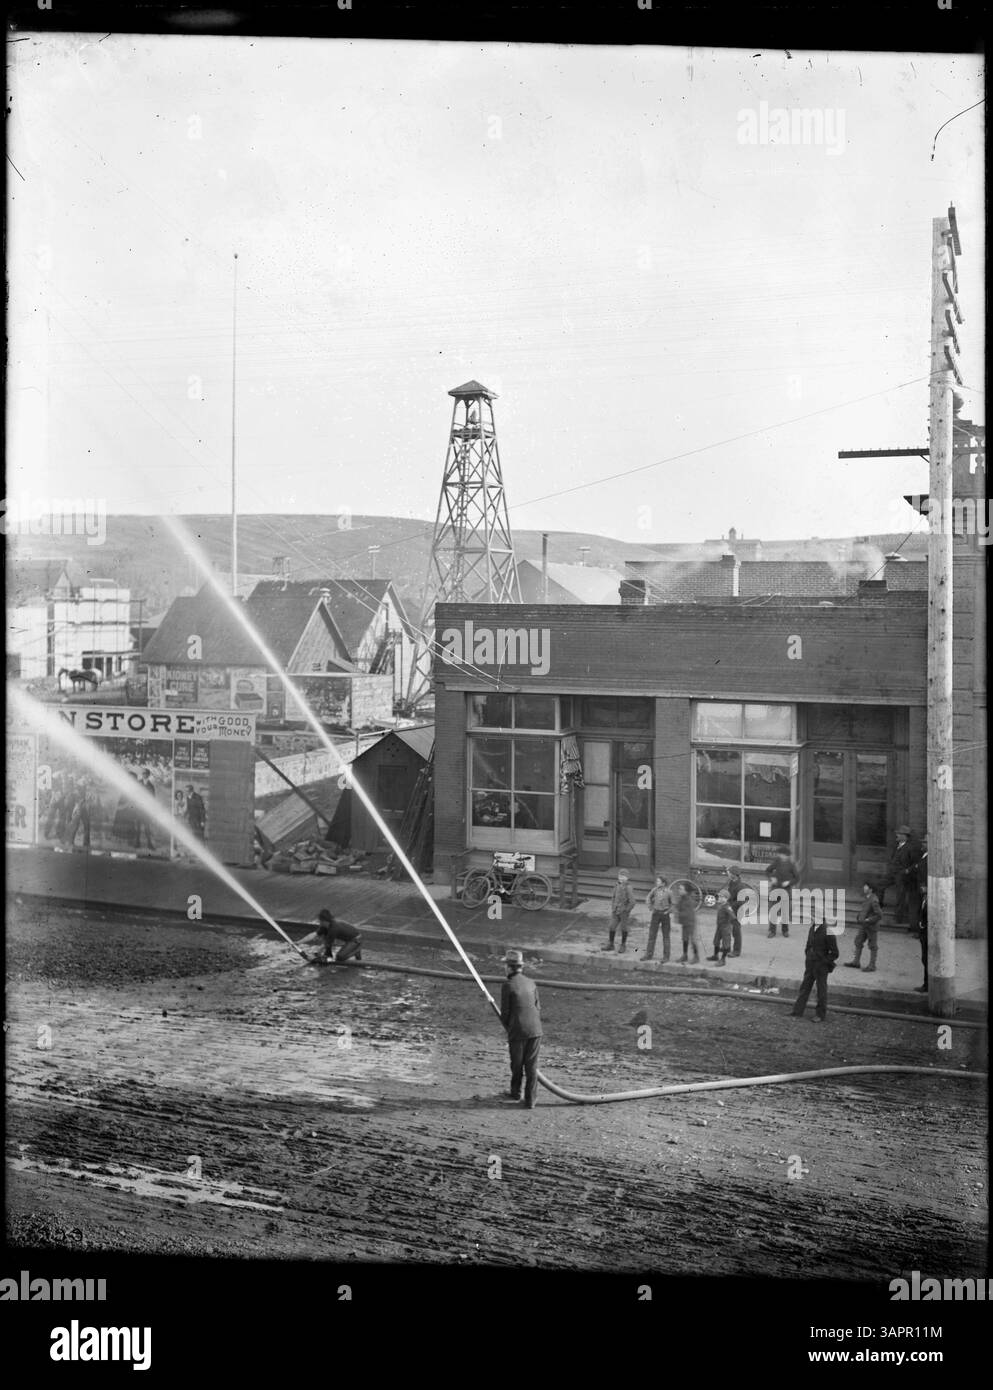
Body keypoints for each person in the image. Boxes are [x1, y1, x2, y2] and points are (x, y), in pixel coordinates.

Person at [499, 949, 543, 1109]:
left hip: (518, 1030)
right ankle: (530, 1100)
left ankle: (515, 1092)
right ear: (520, 967)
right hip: (536, 1029)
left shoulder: (507, 985)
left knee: (517, 1064)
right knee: (531, 1066)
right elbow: (538, 1007)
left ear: (509, 968)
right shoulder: (531, 983)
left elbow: (505, 1014)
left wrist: (509, 1026)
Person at [790, 913, 839, 1022]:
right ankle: (797, 1011)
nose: (812, 918)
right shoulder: (812, 928)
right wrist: (808, 954)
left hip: (821, 967)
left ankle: (820, 1015)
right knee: (805, 987)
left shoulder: (828, 932)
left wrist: (824, 962)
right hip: (810, 964)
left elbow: (835, 953)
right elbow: (808, 945)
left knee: (821, 990)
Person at [882, 825, 922, 927]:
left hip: (902, 876)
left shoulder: (910, 848)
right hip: (892, 874)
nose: (897, 835)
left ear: (905, 836)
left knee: (900, 895)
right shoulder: (897, 846)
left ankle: (898, 918)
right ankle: (877, 909)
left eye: (899, 834)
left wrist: (907, 871)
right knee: (878, 886)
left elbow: (916, 863)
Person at [845, 882, 883, 972]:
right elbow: (865, 910)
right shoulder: (867, 898)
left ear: (871, 889)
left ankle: (872, 966)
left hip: (871, 927)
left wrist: (868, 920)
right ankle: (856, 962)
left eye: (866, 887)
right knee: (858, 941)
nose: (864, 888)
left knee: (872, 945)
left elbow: (879, 915)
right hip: (864, 925)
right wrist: (859, 916)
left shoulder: (874, 900)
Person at [765, 846, 799, 939]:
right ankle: (772, 931)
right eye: (780, 854)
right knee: (773, 911)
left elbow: (797, 878)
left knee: (785, 912)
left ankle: (785, 930)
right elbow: (768, 871)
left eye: (782, 854)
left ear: (786, 856)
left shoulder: (791, 865)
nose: (780, 856)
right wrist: (772, 877)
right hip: (775, 889)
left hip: (786, 891)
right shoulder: (776, 862)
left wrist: (789, 882)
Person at [601, 869, 637, 953]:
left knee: (624, 928)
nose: (621, 878)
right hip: (615, 911)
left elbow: (632, 902)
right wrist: (613, 906)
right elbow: (613, 897)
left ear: (627, 878)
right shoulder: (616, 885)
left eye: (623, 876)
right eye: (620, 876)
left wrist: (626, 910)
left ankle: (623, 945)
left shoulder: (628, 887)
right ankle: (611, 944)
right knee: (611, 926)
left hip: (623, 912)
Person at [643, 874, 672, 962]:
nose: (657, 883)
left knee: (666, 937)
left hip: (665, 915)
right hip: (655, 914)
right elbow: (648, 897)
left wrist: (668, 911)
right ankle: (648, 954)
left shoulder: (669, 892)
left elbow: (674, 904)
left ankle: (666, 957)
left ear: (663, 883)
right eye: (657, 881)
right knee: (652, 935)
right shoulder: (654, 890)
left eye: (658, 881)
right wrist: (650, 907)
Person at [707, 891, 738, 965]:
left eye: (721, 897)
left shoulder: (727, 907)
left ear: (726, 898)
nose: (719, 898)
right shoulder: (720, 905)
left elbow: (733, 916)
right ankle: (715, 956)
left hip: (726, 928)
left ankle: (723, 960)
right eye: (719, 896)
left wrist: (734, 925)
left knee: (725, 944)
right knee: (716, 941)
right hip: (719, 927)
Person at [914, 841, 929, 993]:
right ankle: (926, 984)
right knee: (925, 959)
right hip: (924, 934)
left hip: (927, 935)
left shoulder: (929, 902)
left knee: (927, 959)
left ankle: (928, 985)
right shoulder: (924, 900)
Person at [675, 884, 702, 964]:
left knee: (693, 940)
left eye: (681, 889)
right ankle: (685, 955)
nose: (679, 890)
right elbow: (678, 907)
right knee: (685, 939)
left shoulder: (689, 900)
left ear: (686, 891)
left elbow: (687, 913)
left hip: (690, 922)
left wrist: (678, 914)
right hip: (685, 922)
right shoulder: (682, 899)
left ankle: (696, 957)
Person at [724, 868, 745, 955]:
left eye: (729, 873)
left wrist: (731, 905)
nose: (728, 874)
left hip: (738, 910)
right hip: (731, 909)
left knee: (736, 931)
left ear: (734, 875)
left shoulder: (740, 886)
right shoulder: (732, 882)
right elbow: (730, 895)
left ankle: (736, 951)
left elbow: (742, 901)